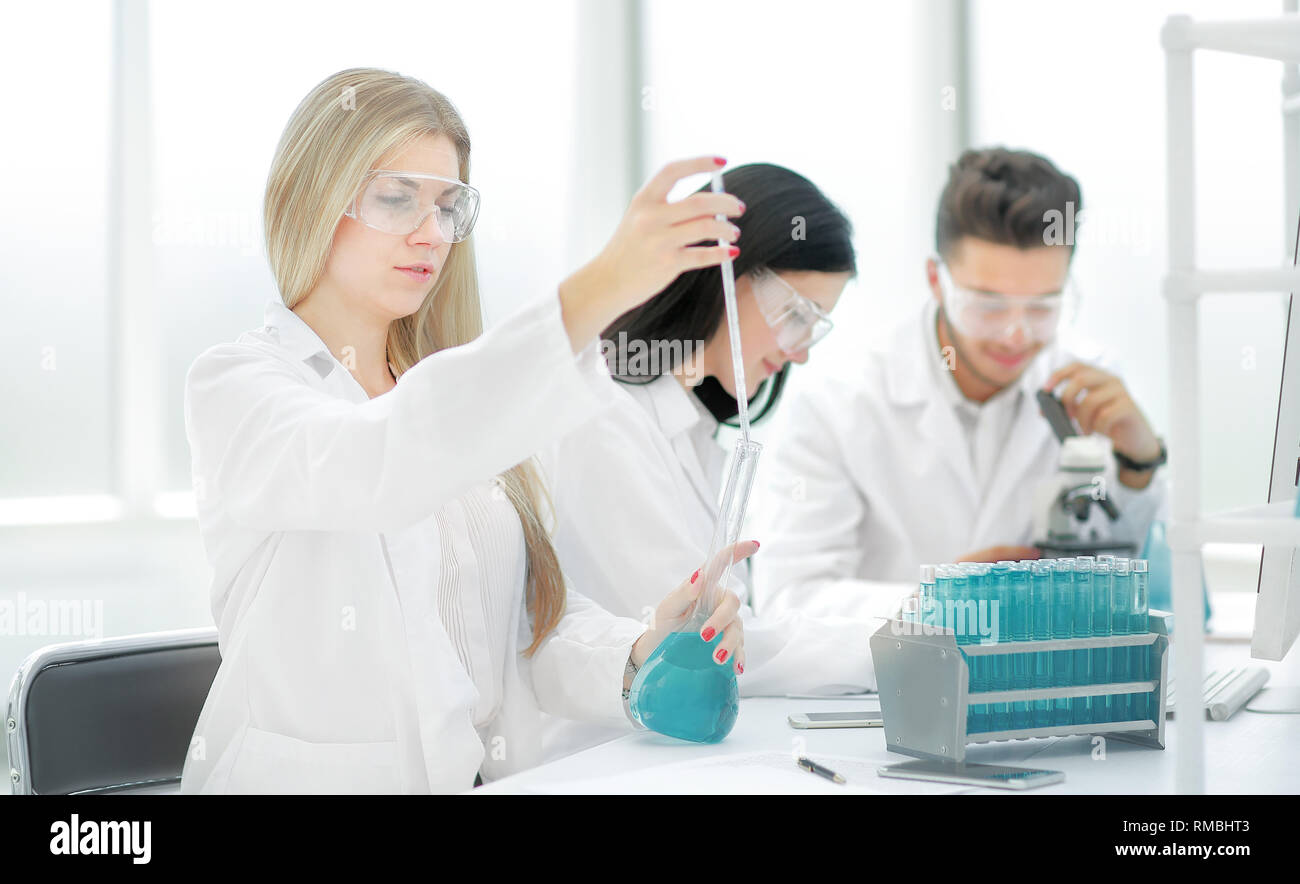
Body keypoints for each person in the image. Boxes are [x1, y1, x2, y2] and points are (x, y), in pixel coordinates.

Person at [180, 67, 752, 793]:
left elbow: (511, 635)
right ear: (309, 196)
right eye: (396, 198)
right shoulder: (239, 387)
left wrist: (643, 650)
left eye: (449, 206)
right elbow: (376, 466)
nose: (431, 233)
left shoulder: (442, 389)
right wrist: (598, 290)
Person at [537, 164, 875, 760]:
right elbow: (704, 641)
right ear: (723, 272)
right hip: (592, 755)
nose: (798, 350)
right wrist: (897, 647)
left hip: (665, 747)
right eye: (795, 313)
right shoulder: (605, 418)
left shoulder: (691, 432)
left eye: (815, 327)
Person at [752, 147, 1167, 622]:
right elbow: (790, 602)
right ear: (936, 279)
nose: (1016, 334)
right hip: (879, 692)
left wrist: (1140, 461)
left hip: (1044, 685)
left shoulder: (1090, 387)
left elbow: (1133, 588)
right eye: (988, 305)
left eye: (1041, 307)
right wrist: (943, 600)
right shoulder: (836, 403)